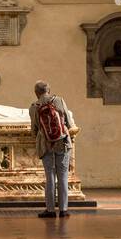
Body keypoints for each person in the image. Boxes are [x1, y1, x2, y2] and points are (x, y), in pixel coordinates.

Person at [29, 80, 74, 219]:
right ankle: (64, 210)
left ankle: (50, 210)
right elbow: (69, 122)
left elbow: (34, 129)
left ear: (36, 92)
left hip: (46, 144)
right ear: (49, 90)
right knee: (63, 176)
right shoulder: (59, 100)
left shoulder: (34, 106)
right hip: (62, 142)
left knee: (50, 176)